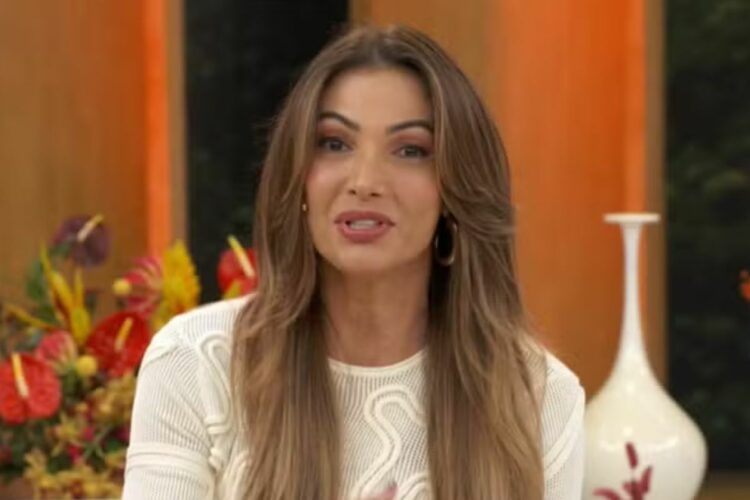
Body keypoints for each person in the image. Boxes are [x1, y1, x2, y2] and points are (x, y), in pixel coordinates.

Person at [123, 25, 584, 500]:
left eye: (410, 150)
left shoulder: (538, 397)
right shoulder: (195, 363)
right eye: (335, 143)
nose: (365, 181)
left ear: (454, 189)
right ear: (299, 174)